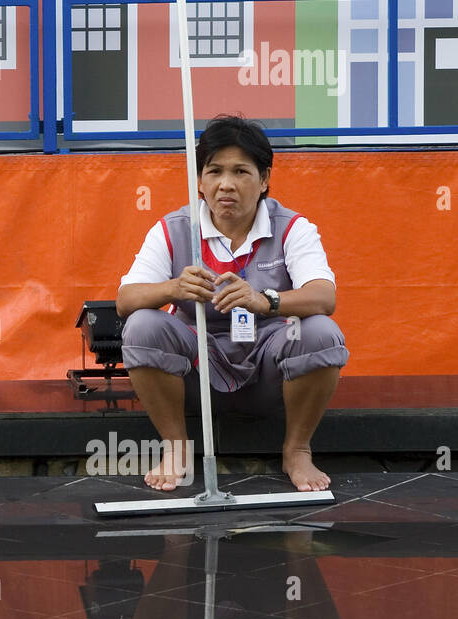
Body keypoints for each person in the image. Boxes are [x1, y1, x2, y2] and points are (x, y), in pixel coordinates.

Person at [116, 115, 348, 493]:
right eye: (214, 171)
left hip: (267, 368)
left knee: (322, 332)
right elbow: (126, 300)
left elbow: (324, 296)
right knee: (143, 325)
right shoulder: (173, 228)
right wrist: (173, 288)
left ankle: (297, 450)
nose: (226, 184)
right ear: (199, 181)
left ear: (265, 179)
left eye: (241, 171)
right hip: (196, 372)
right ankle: (175, 447)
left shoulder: (293, 227)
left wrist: (265, 300)